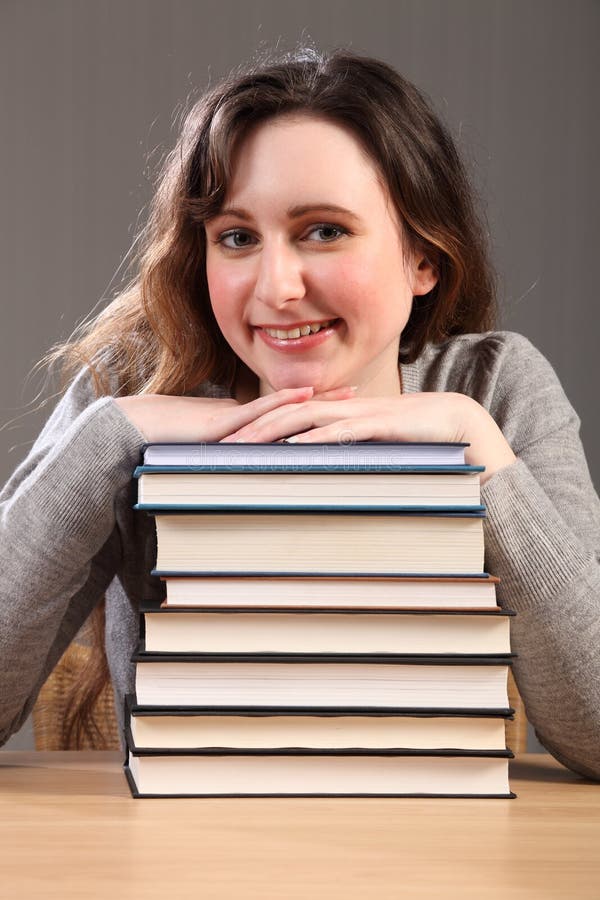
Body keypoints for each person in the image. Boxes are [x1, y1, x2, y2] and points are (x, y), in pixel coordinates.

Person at [1, 48, 598, 778]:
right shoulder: (132, 393)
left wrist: (486, 458)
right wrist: (103, 443)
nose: (276, 286)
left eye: (324, 230)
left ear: (423, 257)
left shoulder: (496, 387)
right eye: (237, 237)